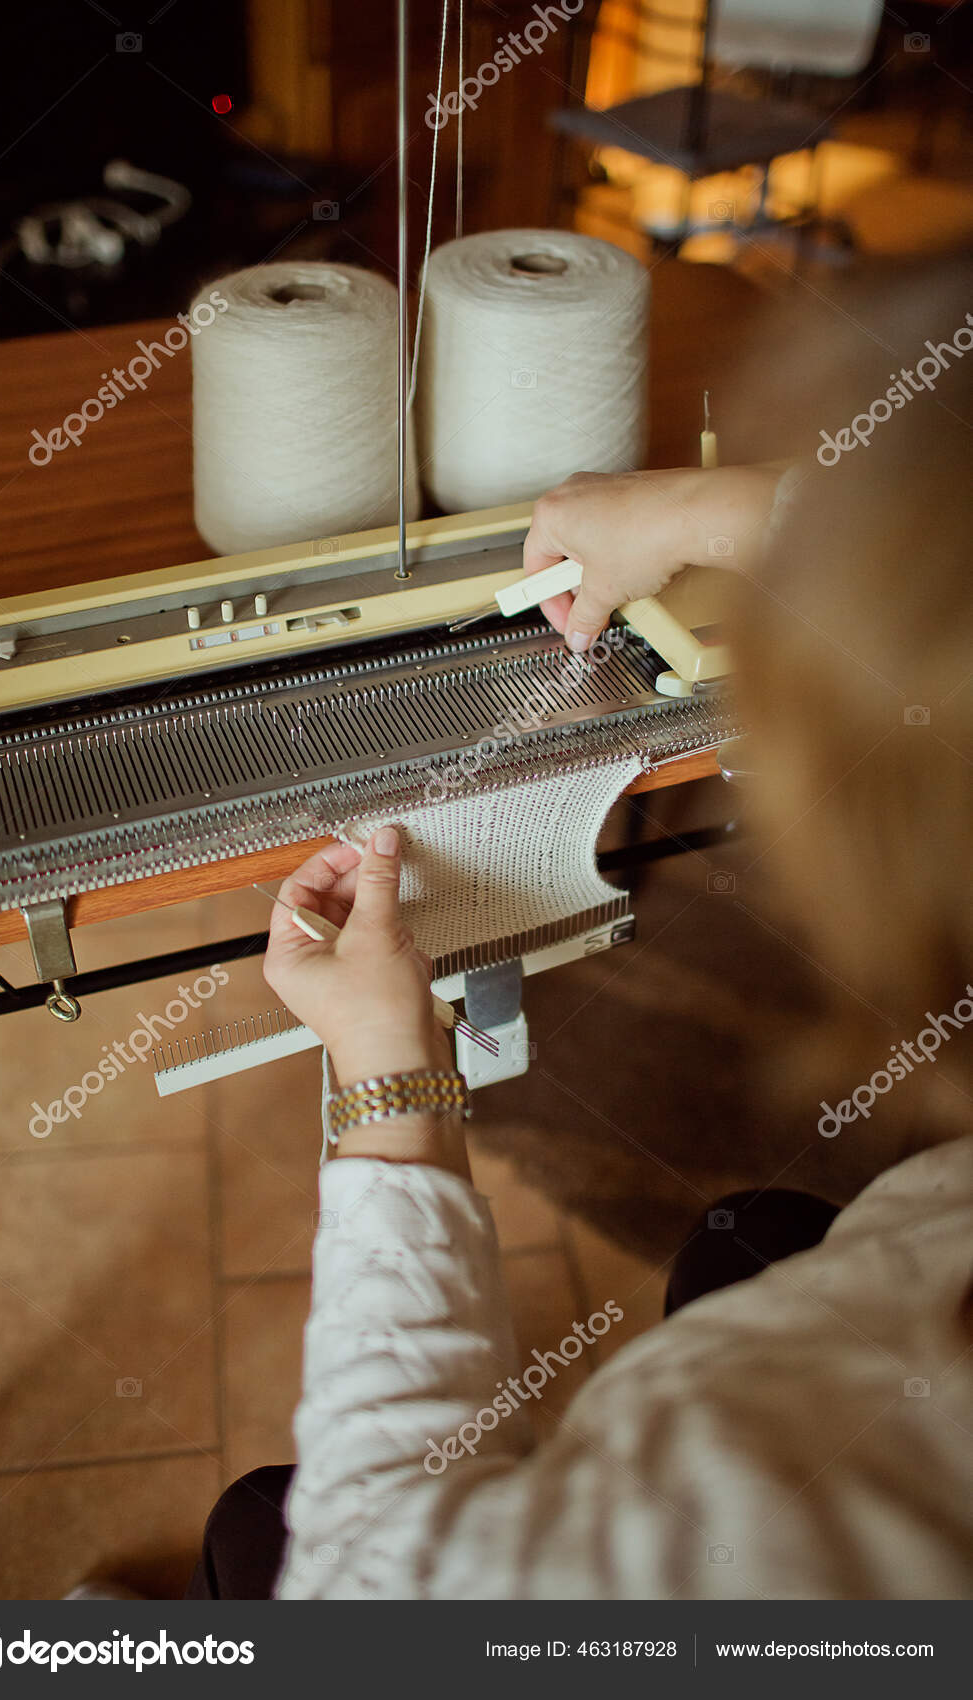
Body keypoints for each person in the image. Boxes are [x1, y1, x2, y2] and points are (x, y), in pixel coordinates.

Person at [188, 264, 973, 1601]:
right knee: (746, 1235)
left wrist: (389, 1067)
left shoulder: (788, 1546)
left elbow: (366, 1582)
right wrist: (713, 507)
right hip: (892, 1272)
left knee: (263, 1523)